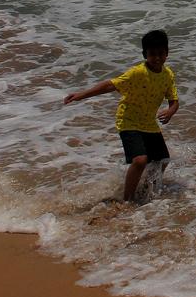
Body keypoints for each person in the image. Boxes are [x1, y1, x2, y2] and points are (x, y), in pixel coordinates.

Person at [63, 29, 179, 203]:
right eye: (152, 54)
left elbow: (174, 100)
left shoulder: (168, 75)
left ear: (167, 53)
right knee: (140, 161)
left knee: (163, 161)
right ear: (144, 54)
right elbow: (110, 85)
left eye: (161, 53)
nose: (157, 58)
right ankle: (128, 199)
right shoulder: (137, 72)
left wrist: (170, 111)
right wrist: (82, 94)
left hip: (149, 123)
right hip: (128, 121)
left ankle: (146, 189)